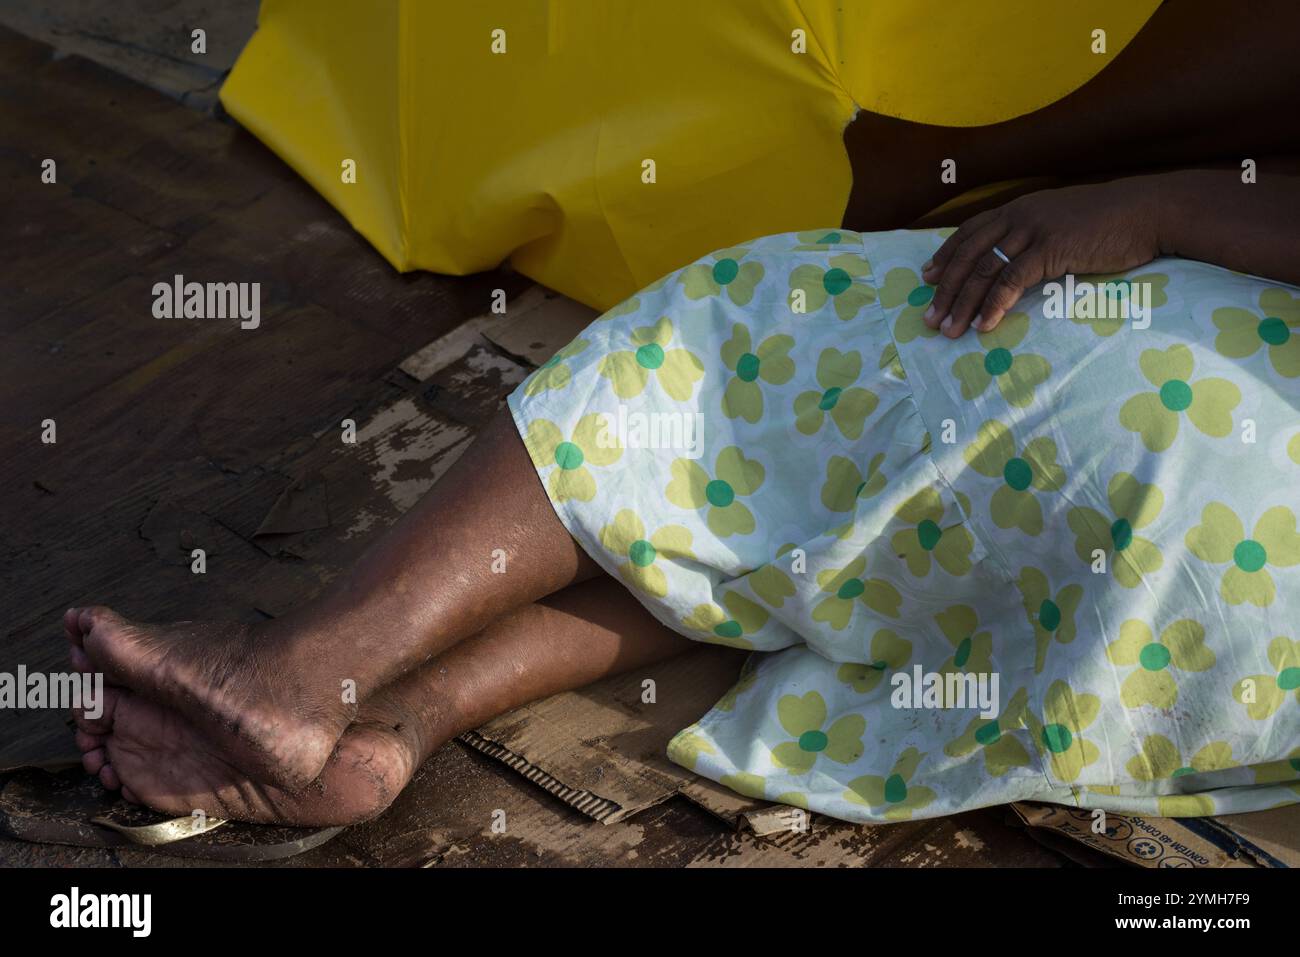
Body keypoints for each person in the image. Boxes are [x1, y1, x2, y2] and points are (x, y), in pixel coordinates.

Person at [66, 162, 1300, 824]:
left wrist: (1151, 199)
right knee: (809, 521)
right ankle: (399, 726)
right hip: (1229, 670)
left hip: (1211, 450)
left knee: (744, 347)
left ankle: (305, 672)